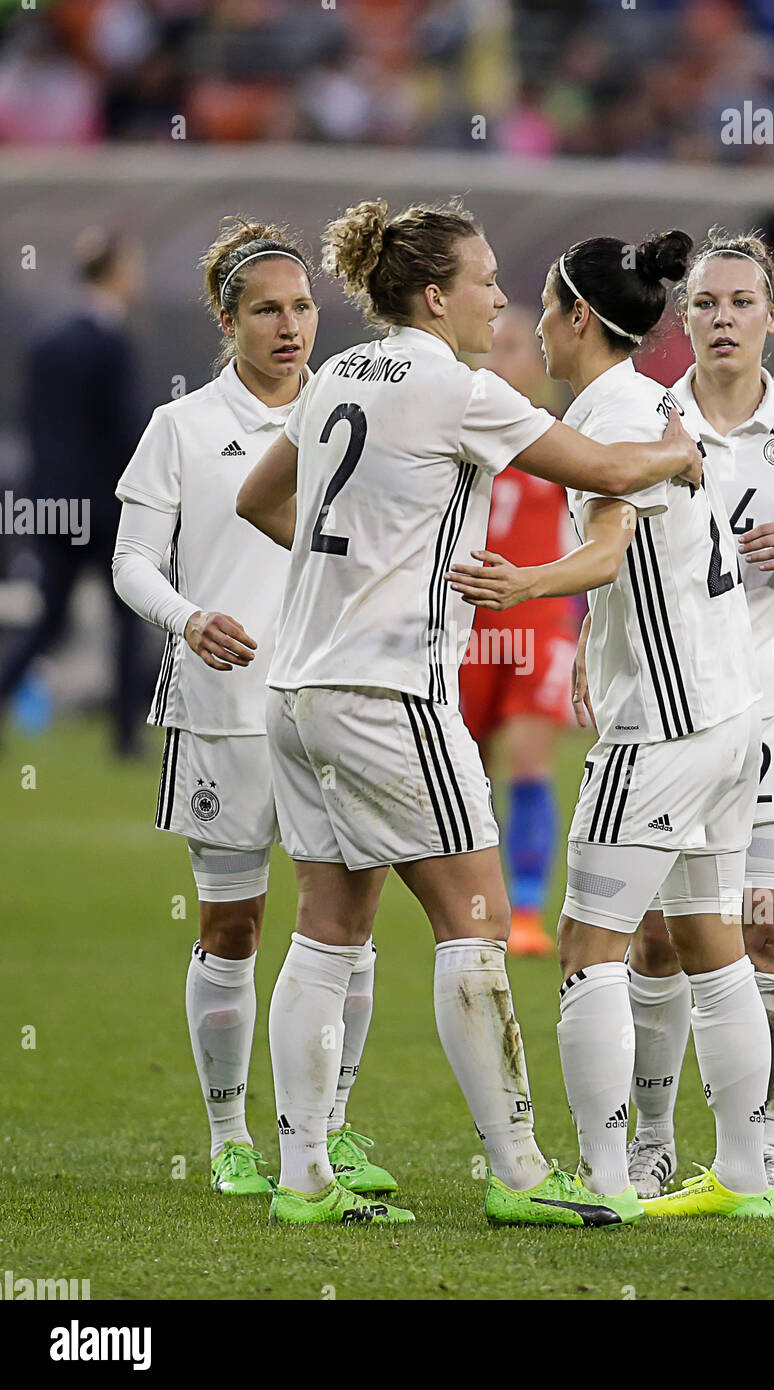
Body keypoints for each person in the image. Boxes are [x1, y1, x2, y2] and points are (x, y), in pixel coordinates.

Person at [236, 197, 701, 1228]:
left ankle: (306, 1173)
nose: (500, 298)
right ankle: (521, 1170)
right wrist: (679, 449)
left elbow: (260, 502)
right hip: (390, 693)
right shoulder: (456, 387)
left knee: (328, 926)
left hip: (299, 687)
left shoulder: (335, 379)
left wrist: (354, 567)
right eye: (487, 279)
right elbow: (610, 470)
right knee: (479, 919)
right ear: (436, 294)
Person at [449, 230, 774, 1219]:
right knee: (709, 940)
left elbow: (604, 547)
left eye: (541, 308)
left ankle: (600, 1179)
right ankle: (742, 1174)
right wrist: (597, 658)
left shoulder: (610, 419)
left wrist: (523, 585)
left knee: (591, 948)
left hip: (666, 728)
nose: (530, 325)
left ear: (578, 317)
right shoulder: (655, 403)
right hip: (727, 709)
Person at [112, 217, 395, 1201]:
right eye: (267, 309)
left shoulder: (352, 408)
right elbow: (130, 561)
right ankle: (231, 1133)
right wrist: (188, 619)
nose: (290, 325)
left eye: (304, 306)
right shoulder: (182, 427)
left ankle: (331, 1127)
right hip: (224, 711)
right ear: (226, 319)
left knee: (349, 930)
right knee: (233, 925)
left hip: (338, 709)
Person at [625, 229, 774, 1203]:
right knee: (653, 935)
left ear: (772, 314)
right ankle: (648, 1136)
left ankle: (767, 1142)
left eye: (740, 303)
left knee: (772, 932)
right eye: (705, 305)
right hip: (668, 708)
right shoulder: (645, 420)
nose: (722, 319)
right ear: (682, 321)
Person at [0, 228, 147, 756]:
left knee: (51, 617)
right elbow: (124, 434)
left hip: (50, 506)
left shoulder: (46, 340)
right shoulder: (112, 342)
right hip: (103, 508)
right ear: (114, 272)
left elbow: (37, 428)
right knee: (129, 615)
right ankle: (127, 735)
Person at [459, 306, 577, 957]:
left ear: (537, 362)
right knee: (468, 773)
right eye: (493, 346)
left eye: (515, 347)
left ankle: (528, 912)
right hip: (465, 628)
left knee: (529, 764)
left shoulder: (560, 442)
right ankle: (481, 906)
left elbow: (590, 543)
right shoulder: (455, 438)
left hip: (538, 626)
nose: (501, 358)